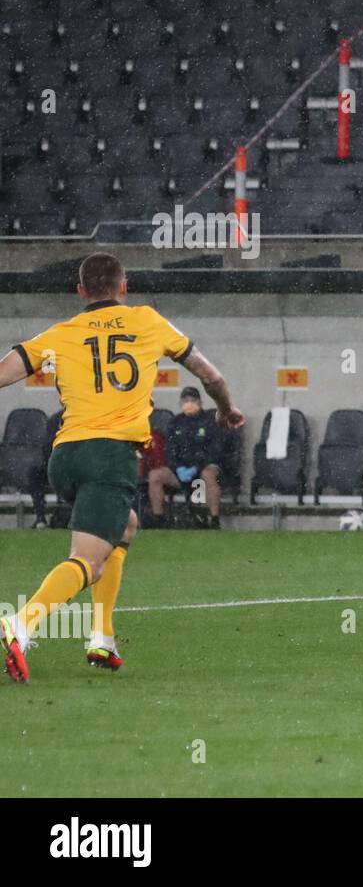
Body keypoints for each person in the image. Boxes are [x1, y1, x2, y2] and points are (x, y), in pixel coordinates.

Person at [0, 252, 244, 681]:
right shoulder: (147, 321)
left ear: (80, 292)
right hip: (109, 456)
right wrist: (225, 409)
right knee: (87, 560)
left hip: (66, 456)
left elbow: (9, 368)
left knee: (126, 525)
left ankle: (102, 636)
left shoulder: (62, 332)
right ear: (124, 287)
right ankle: (21, 623)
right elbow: (211, 377)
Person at [147, 386, 226, 528]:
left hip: (202, 469)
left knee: (208, 475)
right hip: (180, 471)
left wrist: (197, 467)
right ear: (181, 403)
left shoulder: (210, 421)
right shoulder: (175, 423)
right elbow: (169, 451)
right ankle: (158, 521)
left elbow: (215, 451)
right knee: (155, 476)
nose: (189, 403)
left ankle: (214, 520)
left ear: (200, 402)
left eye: (193, 400)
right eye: (186, 400)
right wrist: (178, 468)